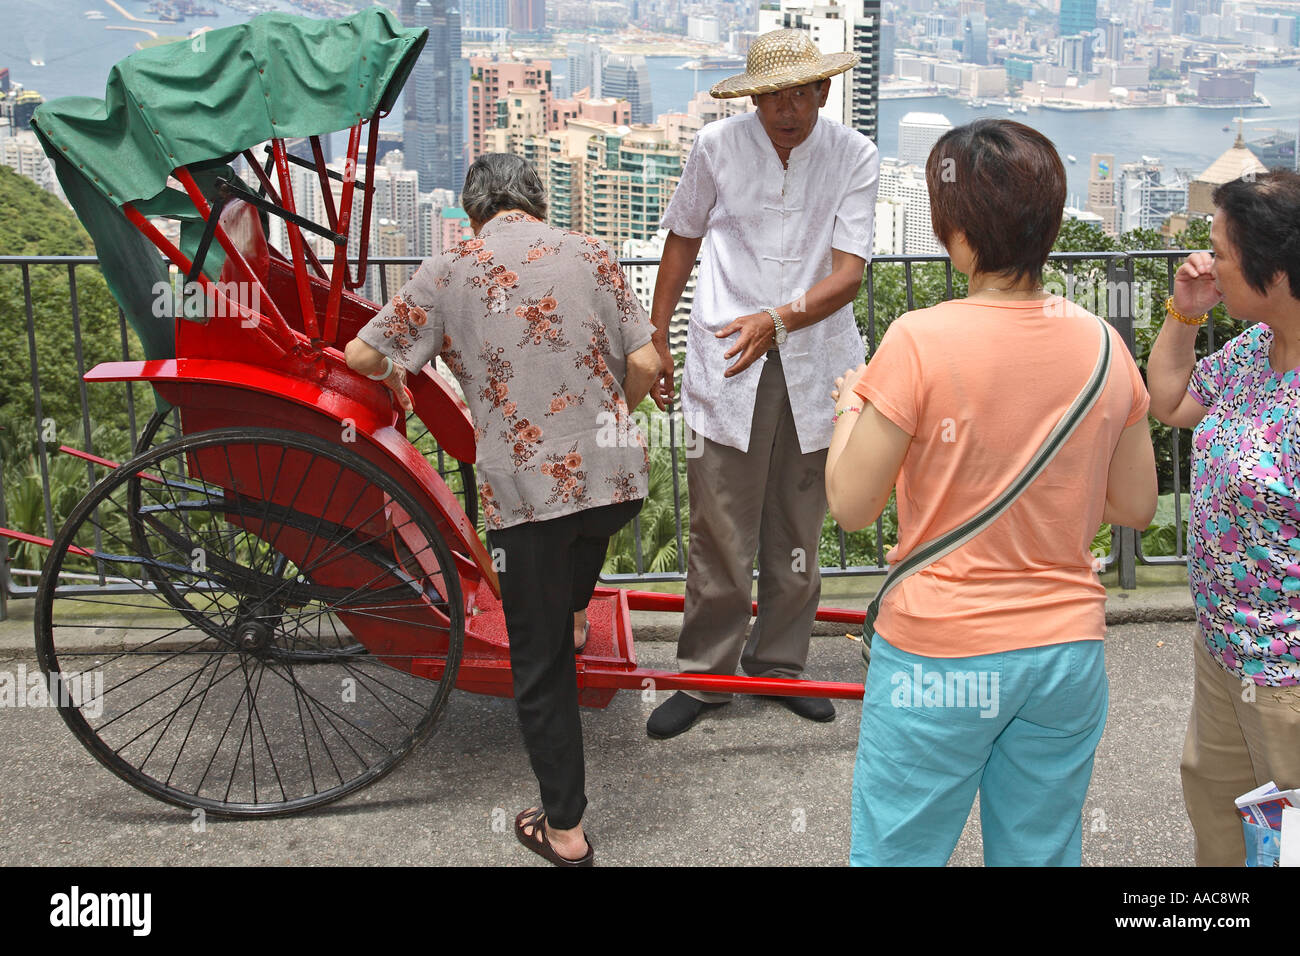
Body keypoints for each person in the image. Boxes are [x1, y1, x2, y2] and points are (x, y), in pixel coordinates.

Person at [825, 118, 1157, 865]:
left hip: (941, 654)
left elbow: (852, 504)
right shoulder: (1107, 345)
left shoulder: (918, 340)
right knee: (1040, 852)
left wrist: (852, 400)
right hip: (1065, 653)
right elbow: (1135, 505)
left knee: (898, 853)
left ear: (961, 233)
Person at [346, 153, 661, 866]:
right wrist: (608, 422)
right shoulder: (593, 251)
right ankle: (576, 610)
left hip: (526, 499)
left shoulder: (449, 268)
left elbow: (360, 354)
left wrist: (401, 370)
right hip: (616, 481)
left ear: (471, 210)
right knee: (584, 541)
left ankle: (566, 832)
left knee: (540, 662)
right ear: (538, 204)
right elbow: (644, 365)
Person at [645, 28, 880, 738]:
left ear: (823, 91)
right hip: (727, 356)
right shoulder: (717, 148)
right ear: (753, 98)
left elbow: (848, 272)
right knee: (718, 523)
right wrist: (656, 336)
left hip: (814, 359)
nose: (785, 109)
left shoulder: (853, 156)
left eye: (797, 94)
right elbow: (683, 235)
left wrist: (776, 319)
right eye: (771, 96)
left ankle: (780, 665)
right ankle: (707, 675)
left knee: (797, 525)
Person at [1146, 169, 1300, 866]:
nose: (1207, 263)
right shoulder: (1251, 353)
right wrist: (1186, 312)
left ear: (1273, 272)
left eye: (1223, 254)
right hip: (1223, 651)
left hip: (1287, 677)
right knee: (1227, 831)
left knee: (1288, 842)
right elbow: (1171, 401)